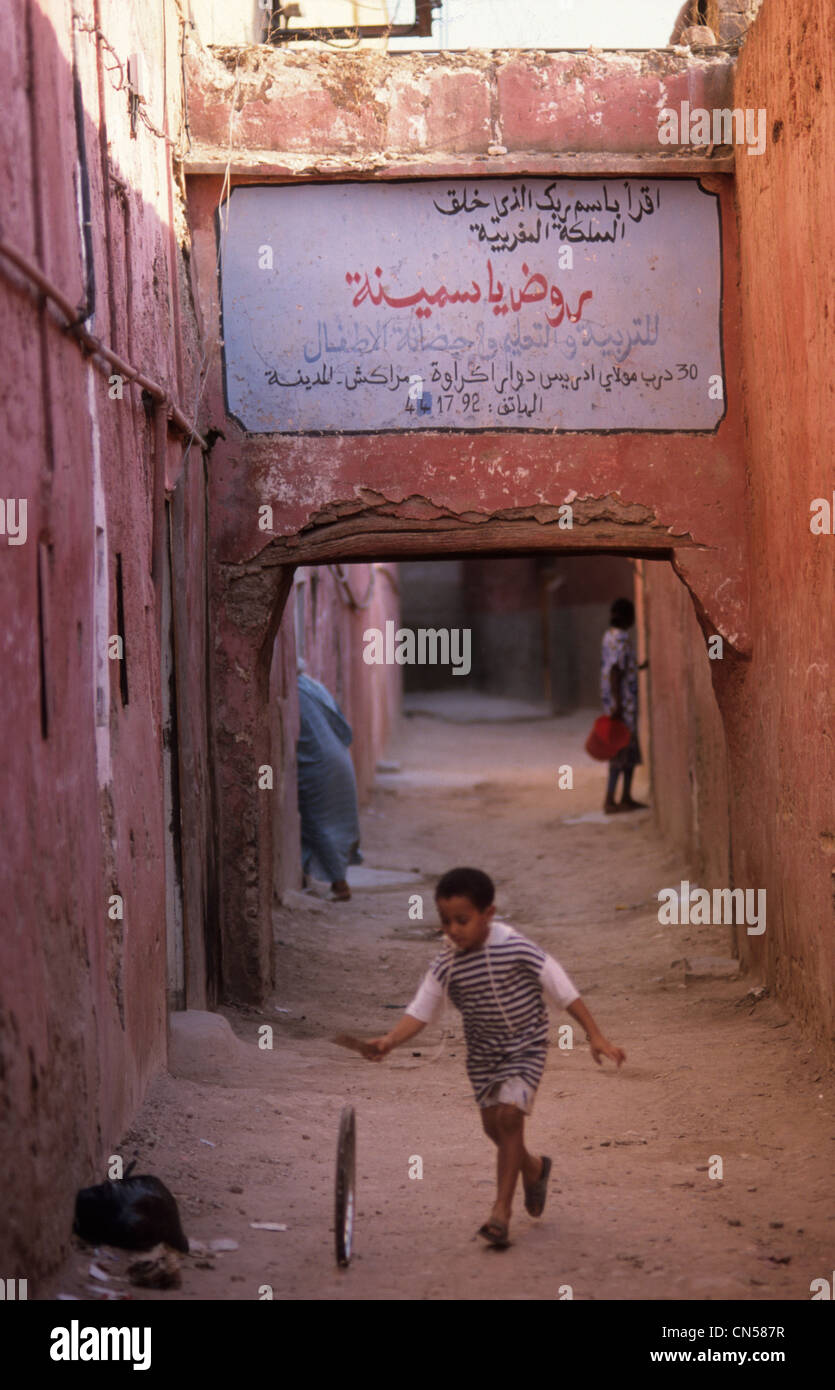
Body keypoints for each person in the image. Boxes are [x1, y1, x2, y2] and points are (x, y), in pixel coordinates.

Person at [363, 867, 625, 1248]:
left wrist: (596, 1035)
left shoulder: (515, 946)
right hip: (483, 1058)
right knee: (495, 1130)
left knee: (508, 1117)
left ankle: (500, 1213)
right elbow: (421, 1010)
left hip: (525, 1046)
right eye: (446, 921)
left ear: (489, 914)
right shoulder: (446, 963)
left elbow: (562, 987)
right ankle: (534, 1169)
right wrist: (389, 1040)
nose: (453, 930)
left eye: (463, 920)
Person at [296, 666, 362, 901]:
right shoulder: (313, 686)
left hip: (317, 763)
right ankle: (337, 877)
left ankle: (339, 883)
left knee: (317, 821)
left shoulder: (297, 692)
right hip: (338, 756)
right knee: (333, 820)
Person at [600, 596, 647, 814]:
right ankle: (611, 800)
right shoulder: (620, 639)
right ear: (627, 617)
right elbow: (615, 672)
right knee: (620, 752)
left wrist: (638, 667)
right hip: (622, 708)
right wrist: (618, 705)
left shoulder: (609, 636)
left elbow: (620, 667)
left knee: (627, 752)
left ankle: (625, 797)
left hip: (619, 705)